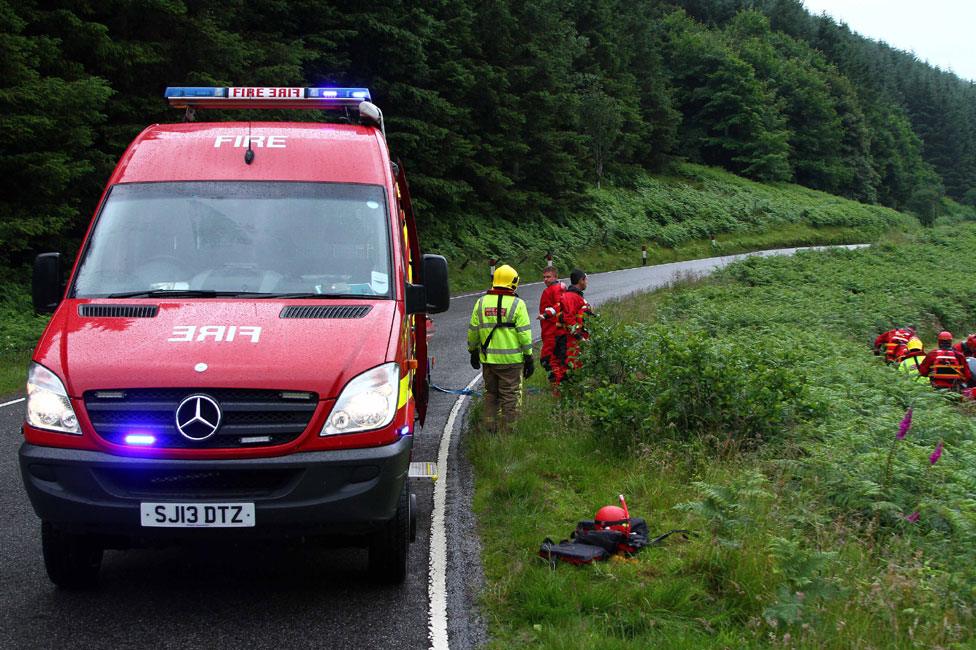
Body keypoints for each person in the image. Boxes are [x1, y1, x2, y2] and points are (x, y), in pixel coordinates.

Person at [467, 264, 534, 432]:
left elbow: (473, 330)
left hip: (488, 360)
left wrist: (473, 351)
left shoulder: (481, 302)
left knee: (491, 394)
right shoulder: (518, 304)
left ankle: (489, 427)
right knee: (510, 396)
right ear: (513, 282)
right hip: (511, 362)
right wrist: (529, 356)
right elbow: (524, 334)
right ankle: (509, 431)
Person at [553, 269, 594, 384]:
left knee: (575, 367)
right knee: (569, 368)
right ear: (581, 280)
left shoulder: (576, 296)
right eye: (586, 280)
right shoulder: (571, 297)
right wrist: (579, 336)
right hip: (570, 340)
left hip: (574, 339)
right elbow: (569, 319)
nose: (587, 282)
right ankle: (563, 394)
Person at [537, 266, 565, 383]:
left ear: (555, 277)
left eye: (548, 277)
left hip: (552, 332)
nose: (545, 279)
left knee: (548, 360)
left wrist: (548, 314)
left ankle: (558, 389)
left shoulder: (556, 289)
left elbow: (561, 304)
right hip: (548, 331)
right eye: (544, 277)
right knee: (550, 361)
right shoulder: (553, 289)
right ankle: (558, 387)